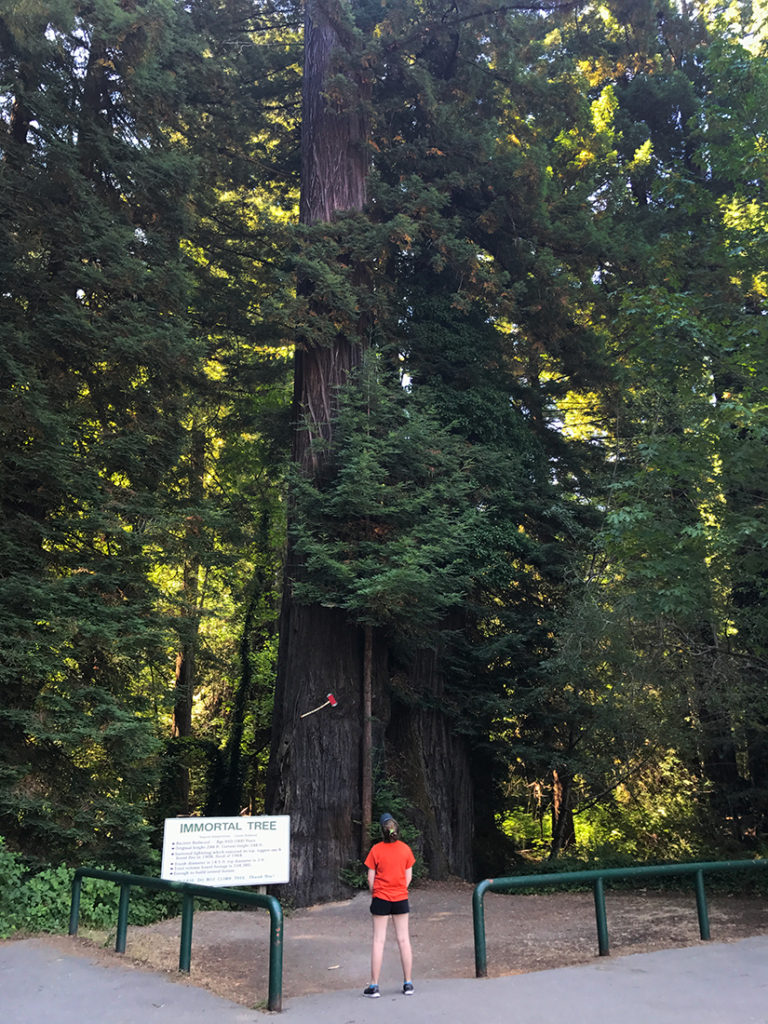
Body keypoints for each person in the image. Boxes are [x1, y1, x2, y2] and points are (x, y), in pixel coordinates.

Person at [362, 812, 416, 997]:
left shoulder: (376, 850)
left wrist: (376, 893)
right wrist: (399, 889)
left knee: (379, 940)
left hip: (381, 898)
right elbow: (409, 876)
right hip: (400, 897)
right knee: (403, 939)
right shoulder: (405, 850)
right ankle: (408, 983)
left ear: (382, 831)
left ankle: (374, 985)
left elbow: (370, 878)